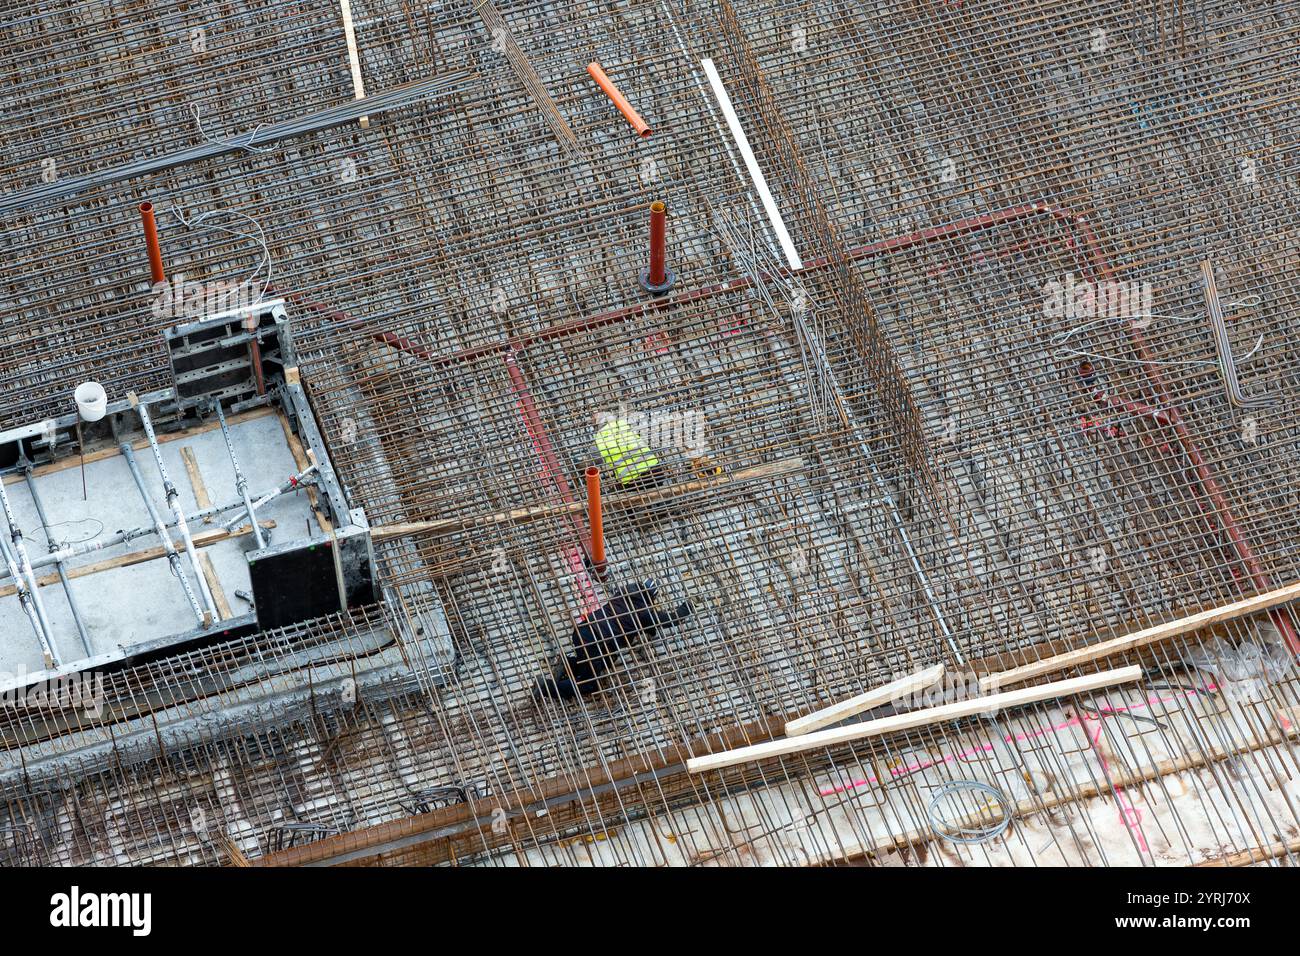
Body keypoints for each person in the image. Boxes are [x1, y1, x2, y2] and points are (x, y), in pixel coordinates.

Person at [533, 580, 692, 701]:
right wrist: (689, 606)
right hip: (595, 642)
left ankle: (569, 664)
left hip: (584, 630)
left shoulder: (622, 594)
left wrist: (649, 626)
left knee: (608, 660)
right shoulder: (645, 612)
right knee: (590, 683)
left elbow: (632, 618)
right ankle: (545, 688)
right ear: (651, 598)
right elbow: (672, 619)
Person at [593, 416, 670, 491]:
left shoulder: (599, 440)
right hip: (657, 471)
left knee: (609, 497)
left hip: (634, 481)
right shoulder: (624, 426)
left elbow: (591, 463)